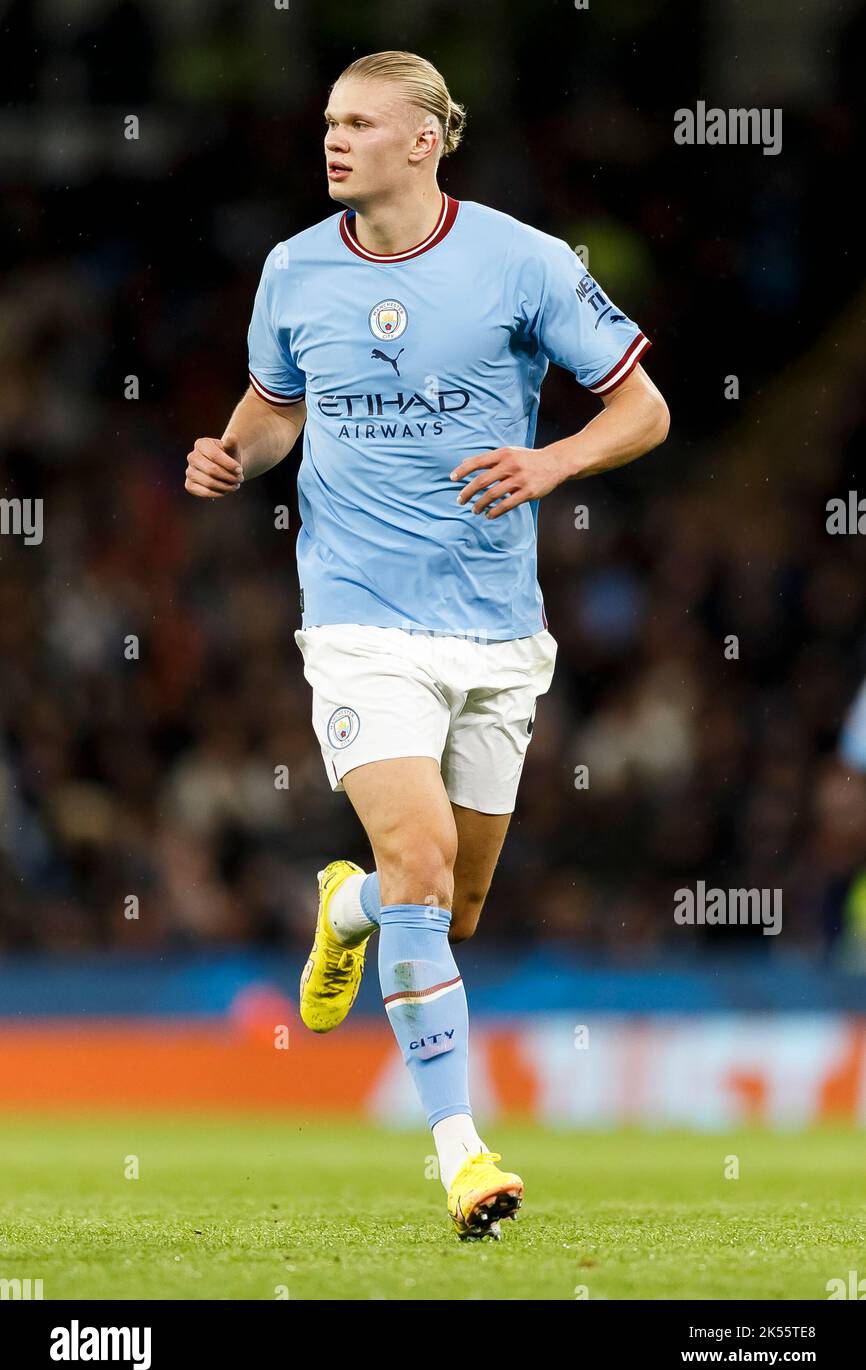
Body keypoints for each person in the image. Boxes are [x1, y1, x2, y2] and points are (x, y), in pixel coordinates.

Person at [185, 50, 669, 1239]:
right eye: (327, 122)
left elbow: (643, 407)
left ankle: (343, 912)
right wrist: (231, 455)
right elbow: (276, 405)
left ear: (424, 141)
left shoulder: (523, 261)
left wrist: (549, 462)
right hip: (356, 621)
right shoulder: (293, 269)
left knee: (444, 906)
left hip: (496, 631)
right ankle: (460, 1152)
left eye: (358, 123)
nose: (333, 141)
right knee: (417, 857)